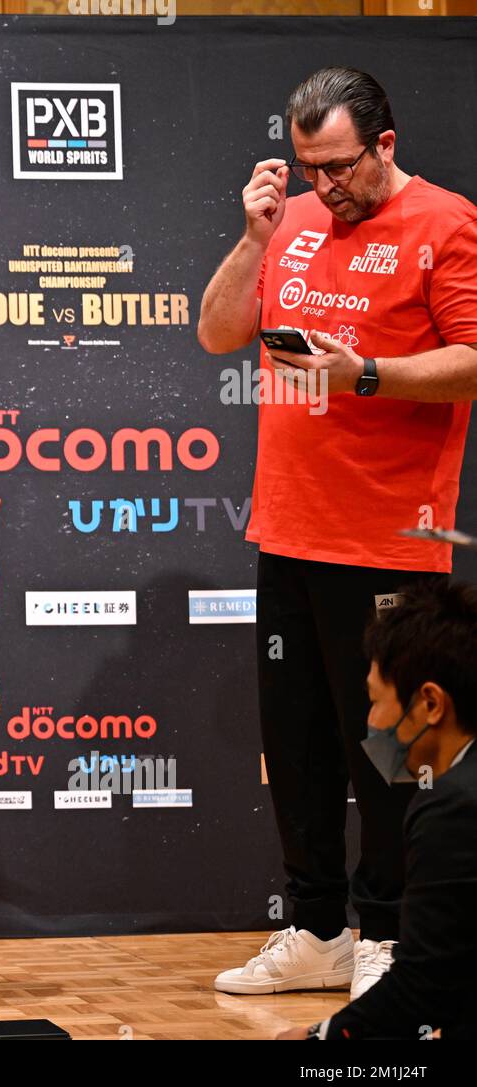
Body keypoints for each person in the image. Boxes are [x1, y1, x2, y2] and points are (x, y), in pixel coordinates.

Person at [198, 66, 477, 1000]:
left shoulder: (446, 222)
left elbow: (473, 362)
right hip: (288, 529)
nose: (325, 186)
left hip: (392, 542)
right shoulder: (294, 220)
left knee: (389, 754)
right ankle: (315, 929)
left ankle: (387, 939)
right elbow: (217, 332)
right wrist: (254, 237)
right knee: (304, 747)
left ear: (385, 147)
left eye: (341, 167)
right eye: (310, 166)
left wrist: (367, 376)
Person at [279, 579, 477, 1039]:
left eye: (374, 701)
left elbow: (422, 990)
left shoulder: (453, 810)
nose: (368, 723)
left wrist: (318, 1037)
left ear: (430, 702)